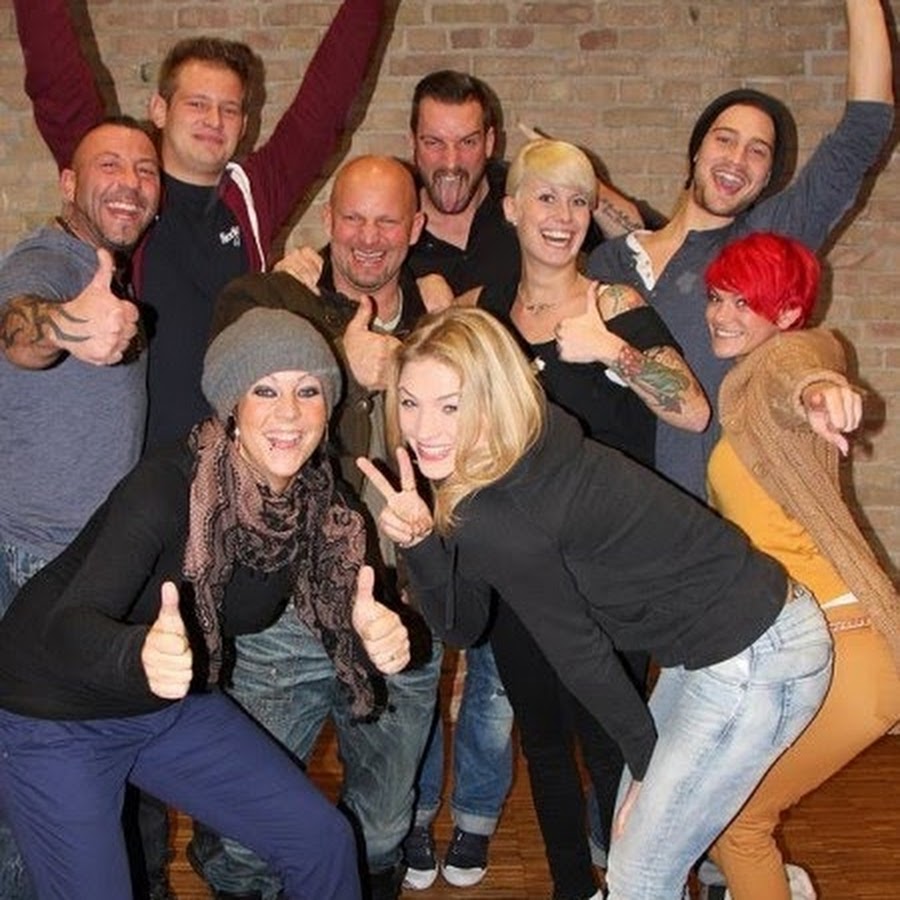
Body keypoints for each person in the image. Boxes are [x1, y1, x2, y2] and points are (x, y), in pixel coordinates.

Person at [358, 305, 834, 900]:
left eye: (451, 406)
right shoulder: (507, 455)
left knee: (639, 868)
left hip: (758, 651)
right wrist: (422, 542)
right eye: (409, 403)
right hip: (727, 645)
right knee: (639, 846)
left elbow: (578, 653)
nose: (425, 428)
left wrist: (646, 774)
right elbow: (465, 625)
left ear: (494, 397)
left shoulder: (508, 506)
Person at [0, 306, 416, 900]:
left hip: (165, 705)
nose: (289, 412)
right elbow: (67, 625)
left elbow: (353, 596)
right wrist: (138, 653)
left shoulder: (319, 502)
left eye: (308, 390)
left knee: (320, 840)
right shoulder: (167, 487)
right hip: (55, 712)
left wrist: (377, 626)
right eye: (264, 389)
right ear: (231, 407)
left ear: (329, 408)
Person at [188, 156, 445, 900]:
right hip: (283, 622)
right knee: (242, 835)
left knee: (384, 828)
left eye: (387, 220)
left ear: (415, 227)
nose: (368, 237)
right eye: (352, 218)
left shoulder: (442, 326)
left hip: (401, 615)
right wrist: (339, 359)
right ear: (328, 221)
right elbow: (226, 379)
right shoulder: (272, 300)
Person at [468, 137, 708, 900]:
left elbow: (693, 410)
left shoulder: (616, 305)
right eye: (546, 196)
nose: (564, 215)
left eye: (579, 200)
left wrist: (612, 351)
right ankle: (573, 887)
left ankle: (641, 886)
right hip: (521, 569)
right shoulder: (487, 316)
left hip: (611, 571)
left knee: (614, 743)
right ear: (512, 208)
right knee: (542, 742)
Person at [13, 0, 387, 449]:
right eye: (197, 104)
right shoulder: (125, 195)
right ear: (160, 109)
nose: (214, 120)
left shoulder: (254, 193)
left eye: (229, 109)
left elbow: (326, 103)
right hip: (140, 461)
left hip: (234, 457)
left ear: (244, 124)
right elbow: (57, 85)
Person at [586, 0, 894, 501]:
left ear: (767, 178)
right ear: (696, 151)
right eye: (724, 139)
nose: (737, 159)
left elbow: (865, 128)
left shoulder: (761, 242)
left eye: (758, 151)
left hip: (713, 523)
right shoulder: (611, 260)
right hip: (612, 519)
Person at [691, 231, 900, 900]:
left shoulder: (777, 365)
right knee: (730, 816)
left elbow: (809, 360)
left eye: (744, 303)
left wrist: (818, 389)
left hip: (850, 650)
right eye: (718, 297)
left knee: (740, 824)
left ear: (785, 313)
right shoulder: (742, 397)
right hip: (812, 649)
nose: (722, 315)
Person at [0, 116, 161, 900]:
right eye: (109, 165)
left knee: (59, 785)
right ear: (68, 182)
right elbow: (16, 328)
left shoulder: (109, 274)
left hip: (77, 566)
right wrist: (67, 325)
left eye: (145, 169)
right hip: (34, 567)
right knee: (37, 795)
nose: (130, 182)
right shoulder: (48, 259)